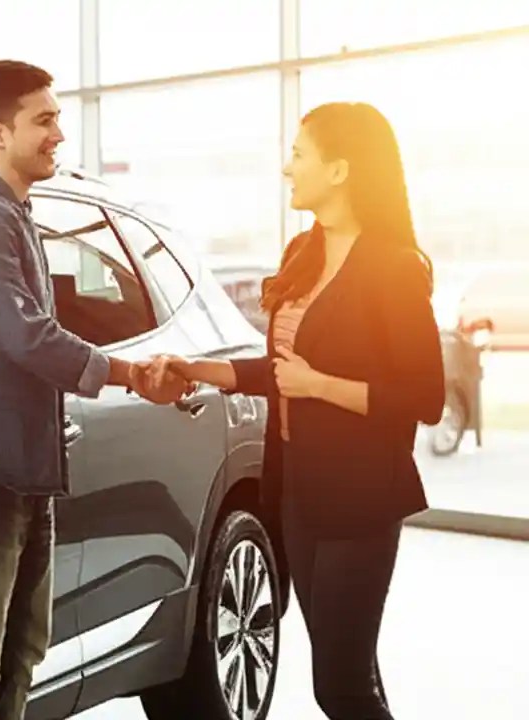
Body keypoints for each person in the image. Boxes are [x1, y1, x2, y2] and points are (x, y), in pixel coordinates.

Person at [150, 101, 445, 720]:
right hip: (297, 493)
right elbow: (281, 371)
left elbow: (424, 396)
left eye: (299, 155)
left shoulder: (393, 268)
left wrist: (320, 385)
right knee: (350, 676)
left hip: (361, 496)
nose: (288, 169)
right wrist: (199, 370)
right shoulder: (302, 253)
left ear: (340, 171)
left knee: (339, 688)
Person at [0, 59, 189, 720]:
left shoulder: (12, 214)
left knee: (19, 655)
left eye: (58, 119)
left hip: (24, 468)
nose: (58, 134)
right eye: (44, 120)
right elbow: (27, 337)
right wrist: (130, 373)